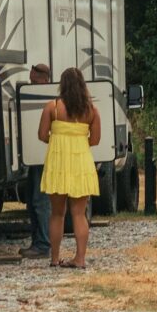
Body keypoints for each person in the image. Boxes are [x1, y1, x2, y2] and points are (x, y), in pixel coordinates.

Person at [39, 66, 102, 267]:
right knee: (79, 213)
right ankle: (80, 258)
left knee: (57, 213)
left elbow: (42, 135)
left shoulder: (52, 107)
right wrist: (78, 141)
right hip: (81, 163)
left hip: (58, 163)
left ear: (62, 85)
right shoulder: (91, 111)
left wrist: (57, 140)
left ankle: (54, 258)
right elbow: (95, 140)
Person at [20, 63, 55, 260]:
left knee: (41, 202)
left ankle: (42, 244)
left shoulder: (48, 101)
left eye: (34, 81)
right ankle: (38, 242)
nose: (31, 84)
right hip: (35, 157)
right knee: (34, 201)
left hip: (43, 157)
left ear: (45, 80)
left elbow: (43, 134)